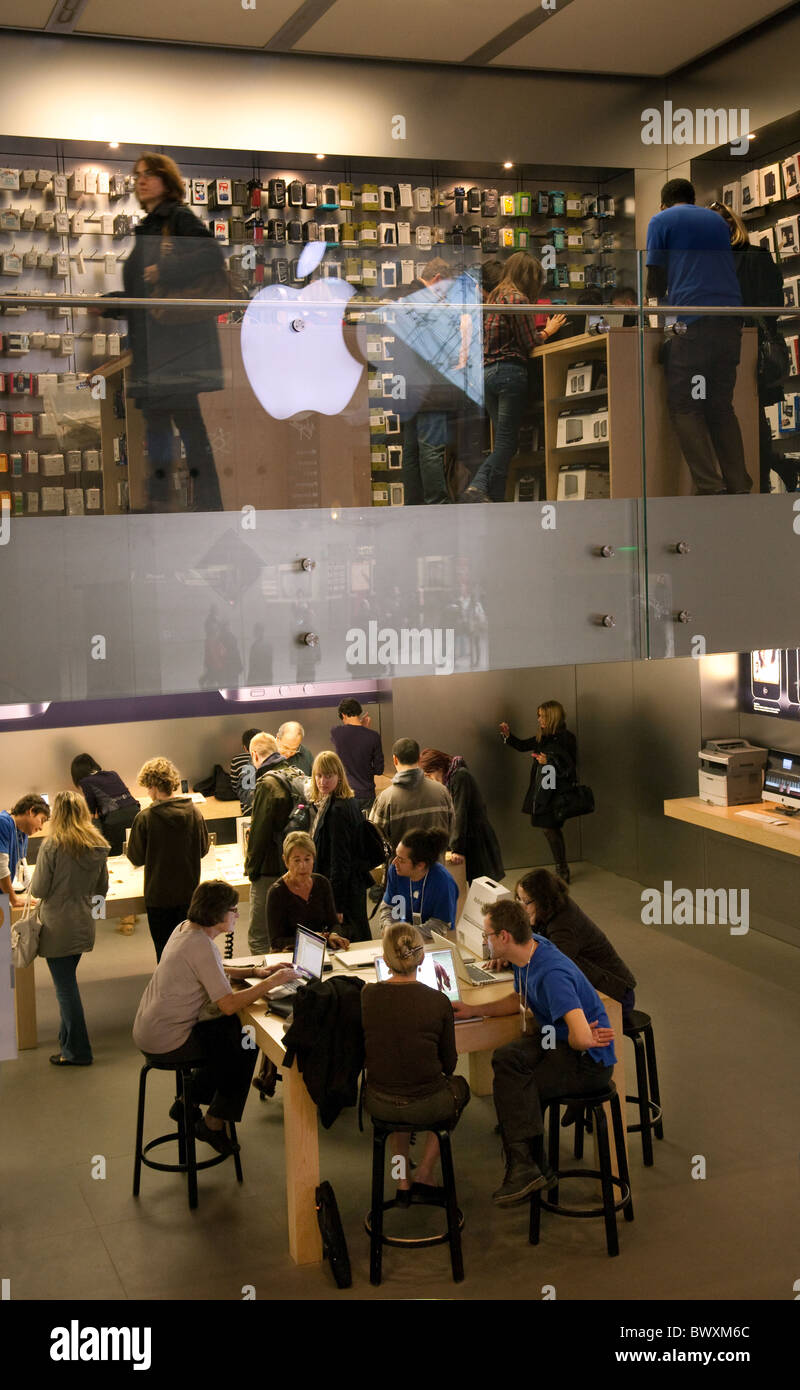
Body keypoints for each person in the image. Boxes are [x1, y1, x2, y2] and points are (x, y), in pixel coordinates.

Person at [453, 899, 615, 1205]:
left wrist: (586, 1038)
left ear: (504, 937)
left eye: (487, 935)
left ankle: (526, 1167)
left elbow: (581, 1037)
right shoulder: (530, 951)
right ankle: (531, 1165)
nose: (484, 941)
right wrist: (473, 1010)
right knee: (505, 1058)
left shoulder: (552, 974)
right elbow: (519, 998)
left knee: (518, 1086)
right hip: (557, 1039)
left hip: (587, 1061)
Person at [93, 152, 226, 512]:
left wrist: (164, 269)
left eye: (150, 174)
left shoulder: (177, 217)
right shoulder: (151, 225)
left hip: (175, 349)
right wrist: (111, 304)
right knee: (167, 426)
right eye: (137, 175)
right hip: (158, 348)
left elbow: (212, 256)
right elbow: (145, 296)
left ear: (168, 181)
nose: (141, 180)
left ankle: (187, 501)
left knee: (182, 426)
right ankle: (170, 500)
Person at [132, 879, 300, 1155]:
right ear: (217, 913)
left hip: (149, 1029)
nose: (237, 914)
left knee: (232, 1036)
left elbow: (213, 969)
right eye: (233, 910)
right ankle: (213, 1122)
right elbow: (228, 1004)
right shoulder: (202, 945)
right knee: (246, 1040)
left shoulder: (185, 929)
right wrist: (272, 982)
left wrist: (254, 973)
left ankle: (189, 1101)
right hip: (167, 1040)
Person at [646, 178, 750, 496]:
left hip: (693, 321)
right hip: (730, 320)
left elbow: (655, 276)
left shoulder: (661, 220)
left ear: (664, 203)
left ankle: (710, 486)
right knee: (719, 405)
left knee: (686, 405)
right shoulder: (718, 221)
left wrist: (655, 312)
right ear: (691, 200)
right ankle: (739, 485)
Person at [361, 921, 470, 1201]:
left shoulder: (368, 995)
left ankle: (402, 1180)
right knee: (459, 1088)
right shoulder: (437, 1001)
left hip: (378, 1099)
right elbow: (449, 1065)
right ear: (422, 957)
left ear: (384, 959)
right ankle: (424, 1171)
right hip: (427, 1103)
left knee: (397, 1089)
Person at [463, 252, 566, 502]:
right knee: (507, 443)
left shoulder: (496, 295)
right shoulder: (517, 298)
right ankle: (477, 487)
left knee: (502, 443)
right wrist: (549, 331)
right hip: (509, 373)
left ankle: (496, 498)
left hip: (487, 374)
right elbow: (528, 342)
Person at [710, 198, 797, 493]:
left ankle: (762, 477)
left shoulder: (755, 256)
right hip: (723, 347)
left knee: (751, 414)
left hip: (751, 348)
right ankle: (775, 464)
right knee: (732, 415)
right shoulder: (708, 260)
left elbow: (770, 305)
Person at [30, 791, 109, 1068]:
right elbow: (102, 889)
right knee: (67, 983)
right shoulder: (98, 844)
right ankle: (66, 1044)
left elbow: (38, 889)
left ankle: (78, 1051)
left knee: (65, 989)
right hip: (82, 922)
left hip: (57, 926)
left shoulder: (52, 846)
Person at [514, 870, 636, 1023]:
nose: (521, 907)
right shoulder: (545, 912)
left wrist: (514, 954)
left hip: (614, 994)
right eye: (518, 899)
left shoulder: (564, 924)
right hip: (593, 984)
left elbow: (551, 964)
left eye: (526, 902)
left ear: (543, 900)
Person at [126, 757, 209, 961]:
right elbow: (203, 849)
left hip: (159, 897)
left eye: (148, 788)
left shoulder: (145, 818)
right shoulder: (194, 812)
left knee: (164, 954)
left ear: (153, 786)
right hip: (190, 895)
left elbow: (135, 856)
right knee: (189, 953)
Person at [500, 700, 577, 882]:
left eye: (542, 716)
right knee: (548, 828)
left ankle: (562, 869)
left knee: (551, 828)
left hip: (555, 790)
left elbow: (571, 767)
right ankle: (562, 867)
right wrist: (508, 736)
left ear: (552, 717)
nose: (539, 719)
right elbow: (522, 745)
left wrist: (548, 761)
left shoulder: (567, 738)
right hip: (543, 788)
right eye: (539, 716)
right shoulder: (543, 736)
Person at [309, 751, 372, 941]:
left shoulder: (337, 810)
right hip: (353, 885)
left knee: (349, 942)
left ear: (339, 776)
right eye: (319, 776)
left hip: (344, 890)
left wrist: (337, 906)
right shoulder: (347, 802)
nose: (323, 781)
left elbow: (340, 861)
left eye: (328, 776)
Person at [419, 747, 504, 884]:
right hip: (467, 837)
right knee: (475, 886)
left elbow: (460, 812)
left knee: (482, 887)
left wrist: (457, 848)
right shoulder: (450, 779)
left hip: (476, 840)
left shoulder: (460, 776)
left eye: (429, 775)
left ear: (439, 767)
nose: (430, 780)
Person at [243, 733, 295, 954]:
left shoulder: (267, 784)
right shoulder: (295, 774)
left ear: (254, 754)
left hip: (269, 868)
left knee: (260, 936)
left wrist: (251, 869)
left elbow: (259, 833)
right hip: (294, 864)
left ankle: (263, 984)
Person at [266, 831, 350, 952]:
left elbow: (334, 923)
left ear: (313, 859)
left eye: (307, 859)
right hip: (289, 954)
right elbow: (276, 941)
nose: (303, 866)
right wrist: (309, 938)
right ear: (286, 861)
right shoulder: (277, 892)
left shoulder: (322, 883)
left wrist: (334, 934)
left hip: (321, 950)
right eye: (296, 860)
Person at [370, 737, 454, 851]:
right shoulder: (442, 792)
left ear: (395, 759)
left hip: (399, 868)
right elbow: (451, 829)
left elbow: (374, 841)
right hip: (436, 867)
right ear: (419, 759)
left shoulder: (385, 799)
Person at [378, 828, 458, 933]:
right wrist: (389, 929)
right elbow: (390, 908)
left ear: (420, 865)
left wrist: (405, 934)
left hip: (434, 943)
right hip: (402, 940)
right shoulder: (395, 871)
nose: (394, 862)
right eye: (396, 855)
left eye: (401, 859)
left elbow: (440, 925)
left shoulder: (443, 881)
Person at [70, 754, 140, 855]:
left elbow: (91, 813)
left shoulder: (85, 782)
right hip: (136, 814)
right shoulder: (113, 774)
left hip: (115, 821)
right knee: (134, 852)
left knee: (113, 856)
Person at [330, 698, 384, 813]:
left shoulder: (336, 732)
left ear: (343, 715)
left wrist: (362, 729)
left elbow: (352, 738)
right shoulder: (374, 736)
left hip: (346, 792)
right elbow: (379, 770)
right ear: (359, 712)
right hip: (367, 794)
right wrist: (364, 728)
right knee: (367, 828)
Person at [0, 794, 50, 907]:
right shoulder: (3, 822)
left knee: (4, 924)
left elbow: (21, 867)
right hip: (3, 896)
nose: (41, 827)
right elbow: (1, 866)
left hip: (2, 897)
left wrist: (35, 893)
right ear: (31, 811)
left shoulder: (23, 833)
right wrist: (14, 900)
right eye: (42, 820)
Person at [229, 727, 261, 813]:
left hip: (248, 809)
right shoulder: (272, 759)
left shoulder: (237, 760)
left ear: (245, 748)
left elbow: (236, 788)